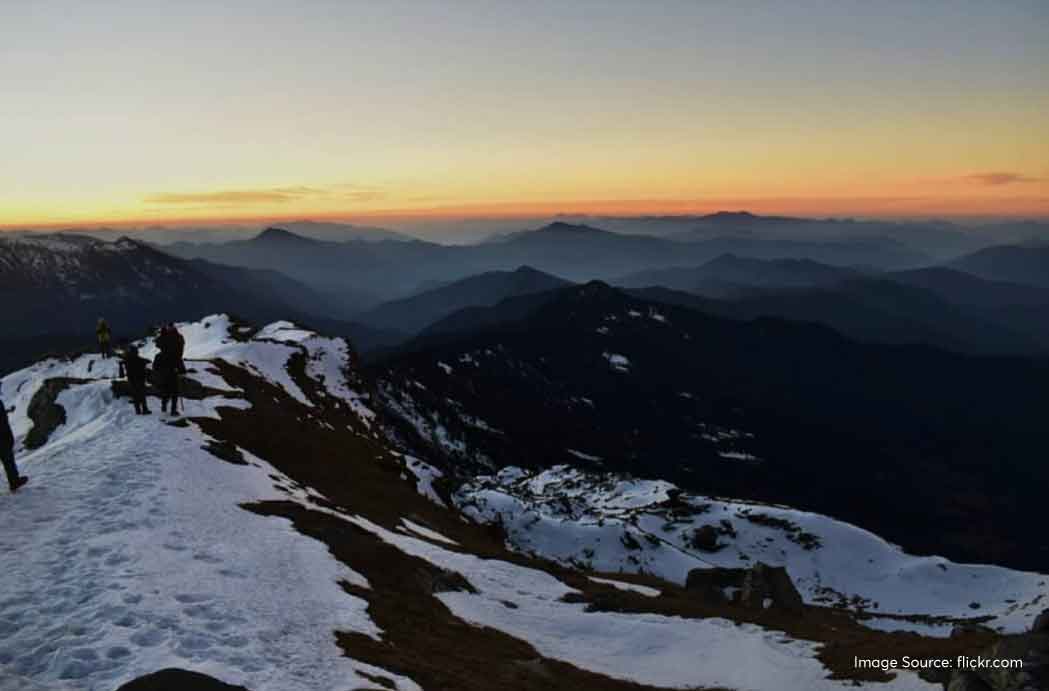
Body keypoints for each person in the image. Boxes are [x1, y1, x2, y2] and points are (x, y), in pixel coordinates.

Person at [1, 397, 29, 493]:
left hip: (4, 437)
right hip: (2, 438)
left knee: (9, 461)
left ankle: (14, 482)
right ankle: (14, 482)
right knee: (8, 460)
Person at [121, 345, 151, 415]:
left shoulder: (127, 360)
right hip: (140, 378)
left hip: (131, 378)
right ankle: (144, 409)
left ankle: (138, 410)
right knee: (142, 393)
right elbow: (145, 363)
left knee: (135, 394)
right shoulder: (140, 360)